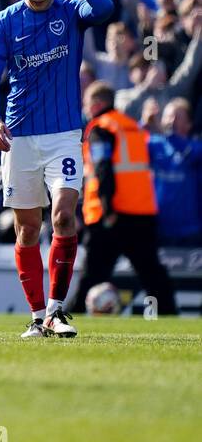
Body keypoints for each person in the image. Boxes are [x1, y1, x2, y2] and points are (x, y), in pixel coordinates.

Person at [0, 0, 114, 338]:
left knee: (64, 215)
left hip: (63, 134)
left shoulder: (70, 13)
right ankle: (38, 317)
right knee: (27, 228)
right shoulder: (5, 21)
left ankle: (57, 310)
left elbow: (106, 7)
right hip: (19, 135)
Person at [72, 82, 177, 314]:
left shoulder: (101, 128)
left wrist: (108, 209)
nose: (85, 109)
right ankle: (170, 313)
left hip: (112, 214)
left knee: (93, 274)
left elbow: (103, 169)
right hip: (141, 212)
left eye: (87, 104)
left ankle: (72, 315)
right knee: (151, 273)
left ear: (97, 104)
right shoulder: (133, 128)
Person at [147, 98, 202, 247]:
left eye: (177, 117)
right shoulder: (154, 144)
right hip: (160, 229)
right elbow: (132, 144)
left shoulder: (197, 147)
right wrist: (144, 122)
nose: (171, 121)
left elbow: (188, 152)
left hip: (191, 232)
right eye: (168, 116)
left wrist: (166, 134)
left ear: (189, 124)